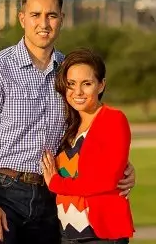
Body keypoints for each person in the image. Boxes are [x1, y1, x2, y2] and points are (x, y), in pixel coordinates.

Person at [0, 0, 135, 244]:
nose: (44, 23)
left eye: (51, 15)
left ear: (61, 20)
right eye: (35, 15)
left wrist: (121, 166)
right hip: (3, 192)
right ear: (22, 19)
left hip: (53, 197)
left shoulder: (71, 73)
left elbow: (90, 129)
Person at [41, 48, 134, 243]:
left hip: (102, 234)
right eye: (71, 84)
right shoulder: (69, 125)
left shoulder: (113, 120)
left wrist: (56, 183)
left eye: (87, 84)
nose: (78, 92)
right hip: (68, 233)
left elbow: (105, 181)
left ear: (101, 86)